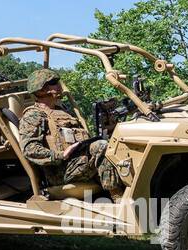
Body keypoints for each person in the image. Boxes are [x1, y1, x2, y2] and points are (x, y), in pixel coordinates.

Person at [17, 68, 117, 196]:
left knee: (117, 147)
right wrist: (61, 155)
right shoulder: (34, 115)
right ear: (41, 90)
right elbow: (29, 149)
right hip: (59, 171)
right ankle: (116, 196)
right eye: (54, 82)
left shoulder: (63, 111)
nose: (59, 85)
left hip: (76, 162)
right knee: (101, 147)